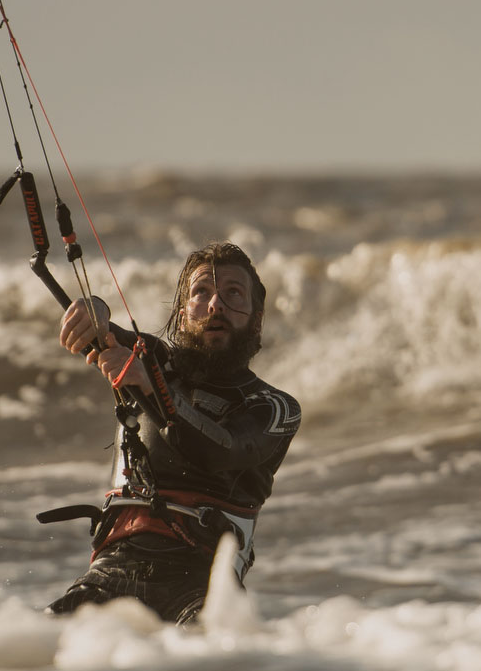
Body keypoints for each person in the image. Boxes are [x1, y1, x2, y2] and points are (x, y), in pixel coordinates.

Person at [43, 242, 302, 623]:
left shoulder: (275, 407)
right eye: (202, 293)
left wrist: (153, 390)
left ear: (257, 320)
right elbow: (110, 335)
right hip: (111, 571)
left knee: (201, 657)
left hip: (200, 582)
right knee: (36, 645)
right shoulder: (154, 360)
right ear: (182, 315)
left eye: (233, 293)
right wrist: (95, 308)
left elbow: (223, 448)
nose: (216, 305)